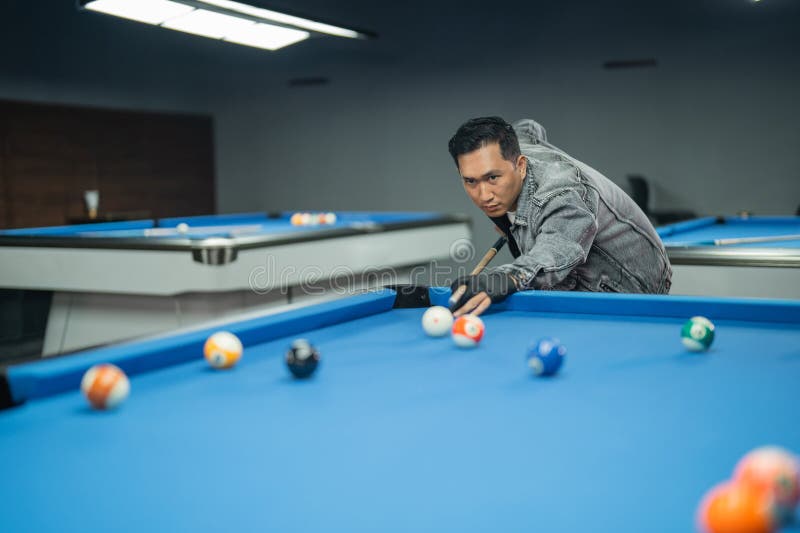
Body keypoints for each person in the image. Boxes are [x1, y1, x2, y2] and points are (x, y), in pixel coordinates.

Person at [447, 116, 671, 316]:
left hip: (630, 283)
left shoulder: (563, 194)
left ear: (521, 165)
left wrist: (503, 278)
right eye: (471, 181)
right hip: (578, 280)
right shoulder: (514, 144)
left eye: (493, 177)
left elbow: (553, 252)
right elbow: (529, 128)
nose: (484, 195)